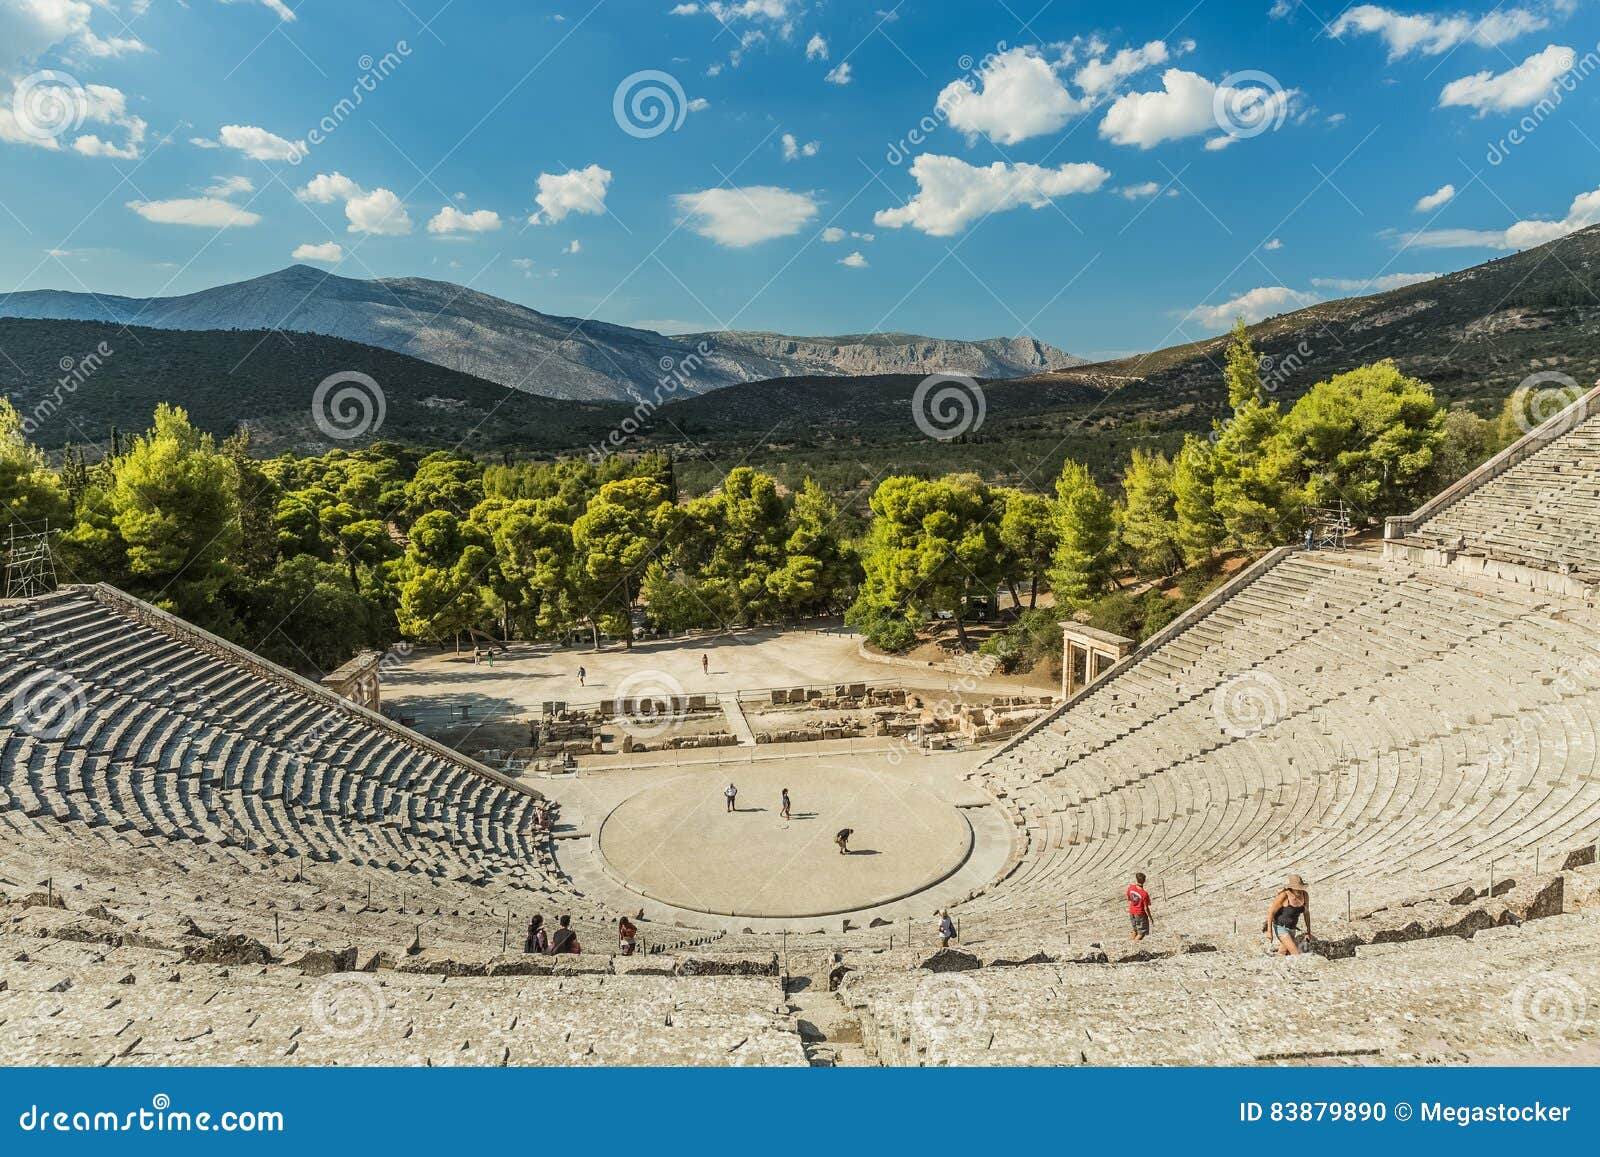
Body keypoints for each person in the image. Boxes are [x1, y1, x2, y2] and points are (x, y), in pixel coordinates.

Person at [1268, 875, 1312, 955]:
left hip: (1292, 928)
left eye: (1300, 888)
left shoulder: (1305, 895)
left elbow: (1306, 913)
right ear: (1291, 888)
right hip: (1280, 927)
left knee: (1283, 952)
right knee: (1296, 954)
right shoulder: (1284, 896)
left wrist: (1308, 931)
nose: (1299, 890)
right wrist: (1269, 932)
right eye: (1297, 888)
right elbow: (1271, 912)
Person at [1127, 872, 1153, 940]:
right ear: (1144, 881)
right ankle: (1134, 947)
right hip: (1140, 914)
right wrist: (1150, 918)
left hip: (1132, 912)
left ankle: (1130, 944)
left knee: (1135, 930)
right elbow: (1146, 908)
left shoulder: (1130, 888)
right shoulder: (1144, 894)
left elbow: (1129, 898)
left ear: (1136, 879)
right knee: (1141, 933)